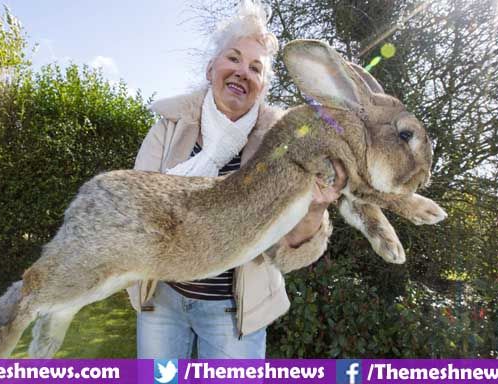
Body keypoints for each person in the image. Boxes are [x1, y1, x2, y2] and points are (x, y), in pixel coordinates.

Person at [127, 0, 346, 358]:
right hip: (162, 301)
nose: (242, 71)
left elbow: (286, 248)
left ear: (262, 87)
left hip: (234, 313)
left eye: (255, 68)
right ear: (211, 68)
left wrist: (314, 210)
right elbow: (136, 207)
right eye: (233, 58)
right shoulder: (168, 127)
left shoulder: (283, 145)